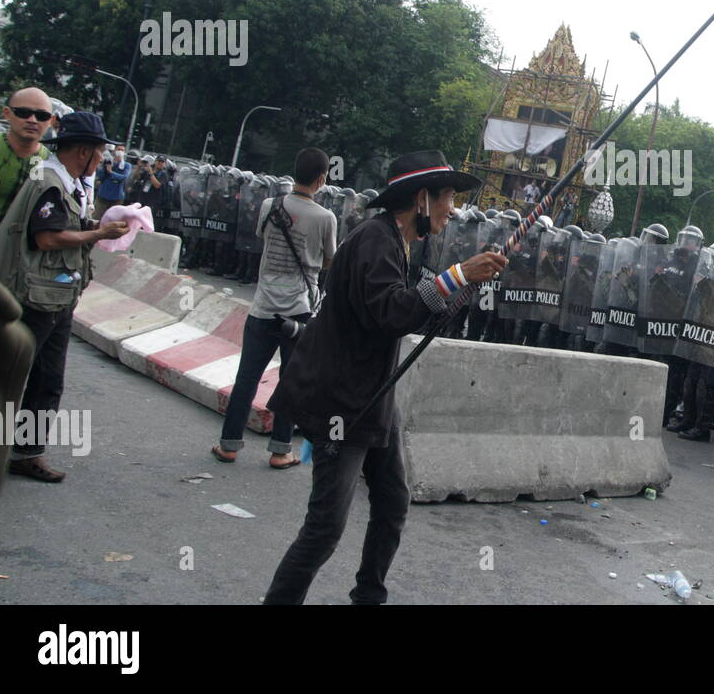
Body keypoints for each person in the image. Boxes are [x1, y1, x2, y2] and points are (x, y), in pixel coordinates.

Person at [263, 150, 506, 604]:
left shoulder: (398, 242)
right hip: (341, 400)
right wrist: (456, 276)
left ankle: (368, 595)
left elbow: (415, 310)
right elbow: (390, 311)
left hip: (373, 397)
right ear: (420, 198)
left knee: (393, 499)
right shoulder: (376, 239)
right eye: (447, 197)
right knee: (324, 529)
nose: (451, 209)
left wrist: (465, 284)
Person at [0, 112, 130, 482]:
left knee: (46, 378)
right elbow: (47, 237)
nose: (102, 160)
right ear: (83, 151)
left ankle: (26, 452)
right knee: (10, 377)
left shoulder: (66, 182)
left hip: (56, 294)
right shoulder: (50, 181)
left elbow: (62, 227)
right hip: (36, 295)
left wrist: (94, 227)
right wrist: (97, 235)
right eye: (99, 153)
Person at [211, 149, 338, 468]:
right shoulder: (325, 218)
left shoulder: (270, 205)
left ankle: (228, 446)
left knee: (247, 377)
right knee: (290, 379)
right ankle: (280, 450)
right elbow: (328, 261)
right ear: (322, 179)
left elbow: (262, 240)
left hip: (262, 306)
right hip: (297, 310)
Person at [0, 87, 52, 242]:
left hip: (10, 256)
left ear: (51, 121)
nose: (32, 120)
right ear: (7, 113)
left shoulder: (50, 164)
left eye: (42, 116)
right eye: (23, 112)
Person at [94, 143, 132, 219]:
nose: (120, 152)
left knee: (113, 220)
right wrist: (106, 165)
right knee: (96, 217)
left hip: (117, 197)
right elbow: (99, 173)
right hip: (103, 195)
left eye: (122, 150)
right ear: (114, 150)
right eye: (119, 149)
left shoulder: (126, 165)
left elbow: (123, 177)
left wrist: (111, 172)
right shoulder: (108, 161)